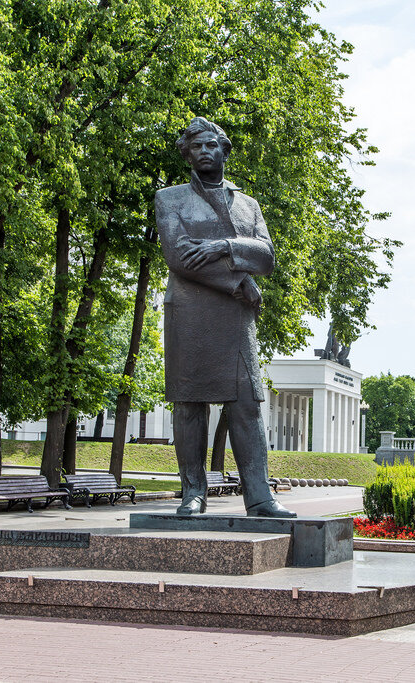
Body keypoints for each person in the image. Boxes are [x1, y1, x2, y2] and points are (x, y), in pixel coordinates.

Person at [155, 116, 295, 518]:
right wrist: (238, 283)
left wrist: (222, 245)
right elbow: (180, 257)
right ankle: (192, 492)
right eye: (196, 146)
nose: (204, 151)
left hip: (236, 320)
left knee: (247, 404)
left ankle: (260, 496)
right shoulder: (170, 199)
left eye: (211, 145)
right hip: (191, 313)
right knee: (189, 403)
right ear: (188, 154)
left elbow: (266, 257)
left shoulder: (248, 204)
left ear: (223, 150)